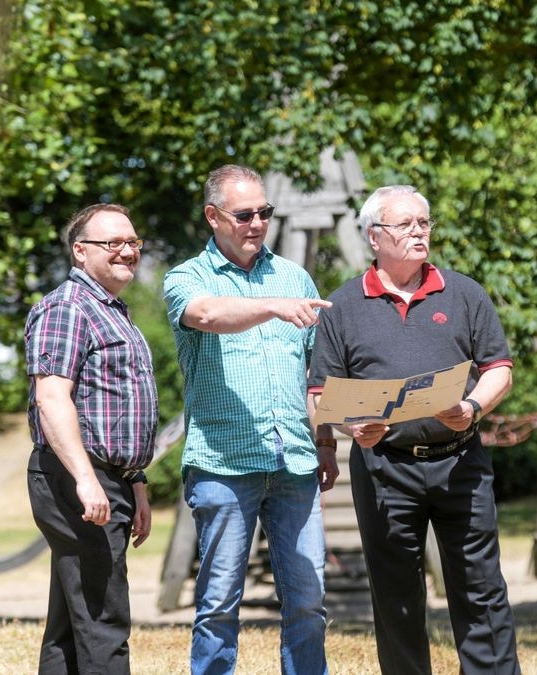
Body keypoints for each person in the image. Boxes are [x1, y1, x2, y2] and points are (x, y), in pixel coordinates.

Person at [307, 185, 522, 674]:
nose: (418, 232)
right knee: (396, 598)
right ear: (374, 236)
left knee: (482, 590)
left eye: (423, 223)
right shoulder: (342, 306)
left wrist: (471, 407)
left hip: (461, 460)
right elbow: (321, 394)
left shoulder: (465, 293)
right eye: (405, 224)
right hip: (384, 469)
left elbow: (499, 370)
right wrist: (352, 427)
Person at [163, 164, 336, 675]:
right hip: (222, 464)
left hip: (295, 464)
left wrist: (326, 443)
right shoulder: (186, 277)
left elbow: (315, 377)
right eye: (244, 214)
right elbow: (207, 315)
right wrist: (272, 307)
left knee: (309, 601)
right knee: (219, 603)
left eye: (265, 212)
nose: (257, 223)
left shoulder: (294, 277)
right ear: (213, 216)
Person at [24, 203, 159, 675]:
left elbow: (116, 411)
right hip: (76, 478)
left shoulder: (110, 310)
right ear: (80, 251)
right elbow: (51, 398)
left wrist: (134, 483)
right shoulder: (68, 307)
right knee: (104, 620)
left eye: (133, 242)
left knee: (72, 622)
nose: (127, 251)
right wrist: (86, 479)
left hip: (107, 479)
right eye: (113, 243)